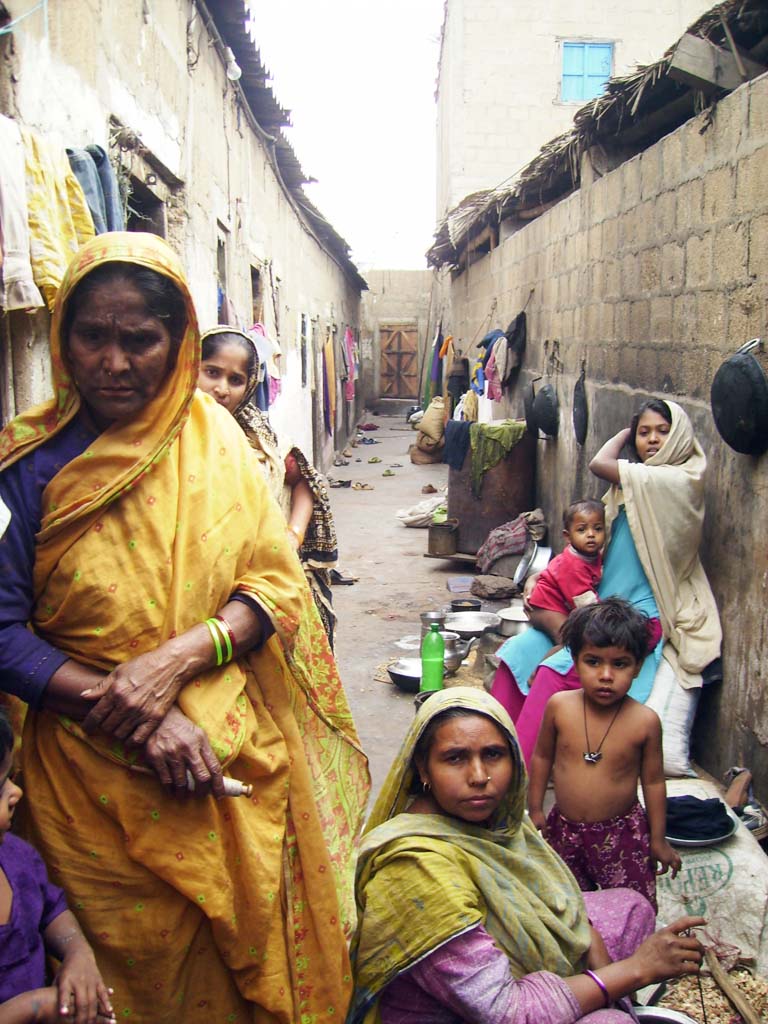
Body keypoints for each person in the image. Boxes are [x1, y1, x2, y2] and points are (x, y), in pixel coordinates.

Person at [0, 232, 369, 1023]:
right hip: (83, 786)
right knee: (109, 982)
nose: (115, 361)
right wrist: (134, 715)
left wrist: (178, 657)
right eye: (92, 336)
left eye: (141, 340)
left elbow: (274, 584)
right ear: (62, 337)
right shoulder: (23, 466)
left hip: (224, 763)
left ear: (177, 342)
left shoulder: (215, 443)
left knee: (230, 975)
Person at [348, 686, 705, 1024]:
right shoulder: (417, 871)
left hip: (510, 984)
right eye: (455, 758)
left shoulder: (497, 818)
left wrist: (604, 968)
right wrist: (635, 971)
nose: (479, 776)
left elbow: (550, 888)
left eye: (493, 754)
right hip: (464, 1012)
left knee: (631, 907)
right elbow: (510, 1013)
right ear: (424, 770)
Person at [492, 399, 721, 764]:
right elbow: (588, 553)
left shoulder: (678, 480)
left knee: (556, 668)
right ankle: (491, 749)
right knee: (516, 654)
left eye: (663, 431)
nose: (653, 440)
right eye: (644, 432)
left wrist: (627, 432)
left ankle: (520, 768)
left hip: (638, 613)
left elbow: (599, 462)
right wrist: (545, 576)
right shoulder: (632, 486)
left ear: (679, 436)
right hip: (598, 605)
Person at [528, 600, 681, 912]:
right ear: (575, 660)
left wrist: (658, 838)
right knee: (568, 908)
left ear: (638, 666)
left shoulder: (644, 722)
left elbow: (653, 782)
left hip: (623, 835)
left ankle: (635, 958)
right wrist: (535, 809)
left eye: (620, 664)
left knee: (632, 907)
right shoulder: (559, 706)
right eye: (593, 662)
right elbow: (542, 757)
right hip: (565, 831)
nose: (606, 675)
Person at [198, 326, 339, 645]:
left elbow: (302, 481)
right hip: (200, 592)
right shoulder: (169, 436)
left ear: (248, 387)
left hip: (263, 591)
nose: (222, 389)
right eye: (211, 372)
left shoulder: (259, 438)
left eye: (235, 380)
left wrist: (293, 535)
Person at [0, 710, 115, 1024]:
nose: (16, 792)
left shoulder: (15, 856)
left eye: (11, 777)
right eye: (0, 788)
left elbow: (51, 910)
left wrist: (77, 952)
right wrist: (35, 1006)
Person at [527, 499, 605, 620]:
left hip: (562, 604)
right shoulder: (572, 564)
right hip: (545, 607)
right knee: (565, 636)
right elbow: (585, 602)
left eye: (598, 529)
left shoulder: (594, 555)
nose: (591, 534)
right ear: (568, 536)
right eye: (581, 530)